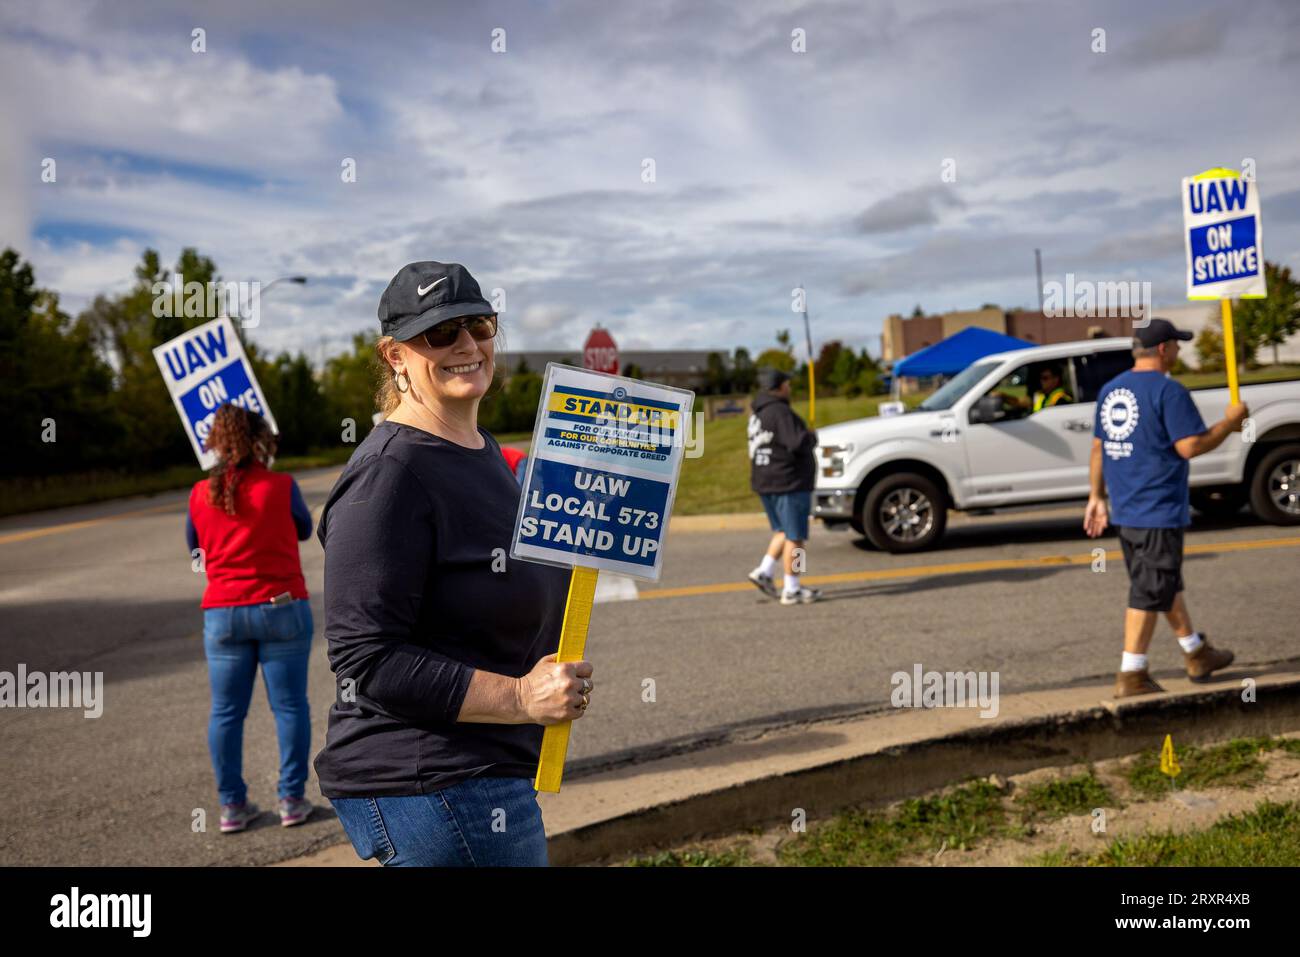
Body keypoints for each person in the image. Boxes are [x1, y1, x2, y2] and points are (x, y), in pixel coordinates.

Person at [315, 260, 587, 867]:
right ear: (395, 356)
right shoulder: (390, 473)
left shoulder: (481, 449)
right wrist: (519, 698)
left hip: (483, 773)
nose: (467, 345)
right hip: (437, 785)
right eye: (440, 334)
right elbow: (367, 658)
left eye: (479, 325)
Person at [1083, 318, 1248, 698]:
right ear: (1162, 349)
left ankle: (1196, 653)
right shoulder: (1168, 391)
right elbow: (1189, 446)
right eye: (1176, 345)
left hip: (1126, 508)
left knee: (1162, 582)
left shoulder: (1110, 390)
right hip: (1157, 507)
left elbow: (1098, 447)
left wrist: (1096, 497)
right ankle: (1132, 674)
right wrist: (1230, 424)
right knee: (1149, 588)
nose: (1179, 351)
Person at [186, 404, 315, 833]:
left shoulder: (199, 493)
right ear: (260, 440)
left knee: (225, 712)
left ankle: (231, 807)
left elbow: (196, 552)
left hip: (223, 611)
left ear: (216, 444)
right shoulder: (281, 485)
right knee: (290, 707)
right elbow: (303, 529)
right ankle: (292, 801)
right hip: (281, 607)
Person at [746, 367, 821, 605]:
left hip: (766, 482)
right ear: (778, 387)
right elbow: (796, 442)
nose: (789, 388)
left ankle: (764, 571)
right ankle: (793, 588)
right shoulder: (780, 412)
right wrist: (811, 436)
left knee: (782, 531)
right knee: (797, 538)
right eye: (787, 384)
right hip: (788, 482)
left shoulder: (759, 413)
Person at [1001, 363, 1073, 413]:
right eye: (1041, 378)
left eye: (1045, 378)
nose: (1041, 381)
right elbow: (1020, 402)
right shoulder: (1041, 395)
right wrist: (1003, 396)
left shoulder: (1062, 399)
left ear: (1055, 379)